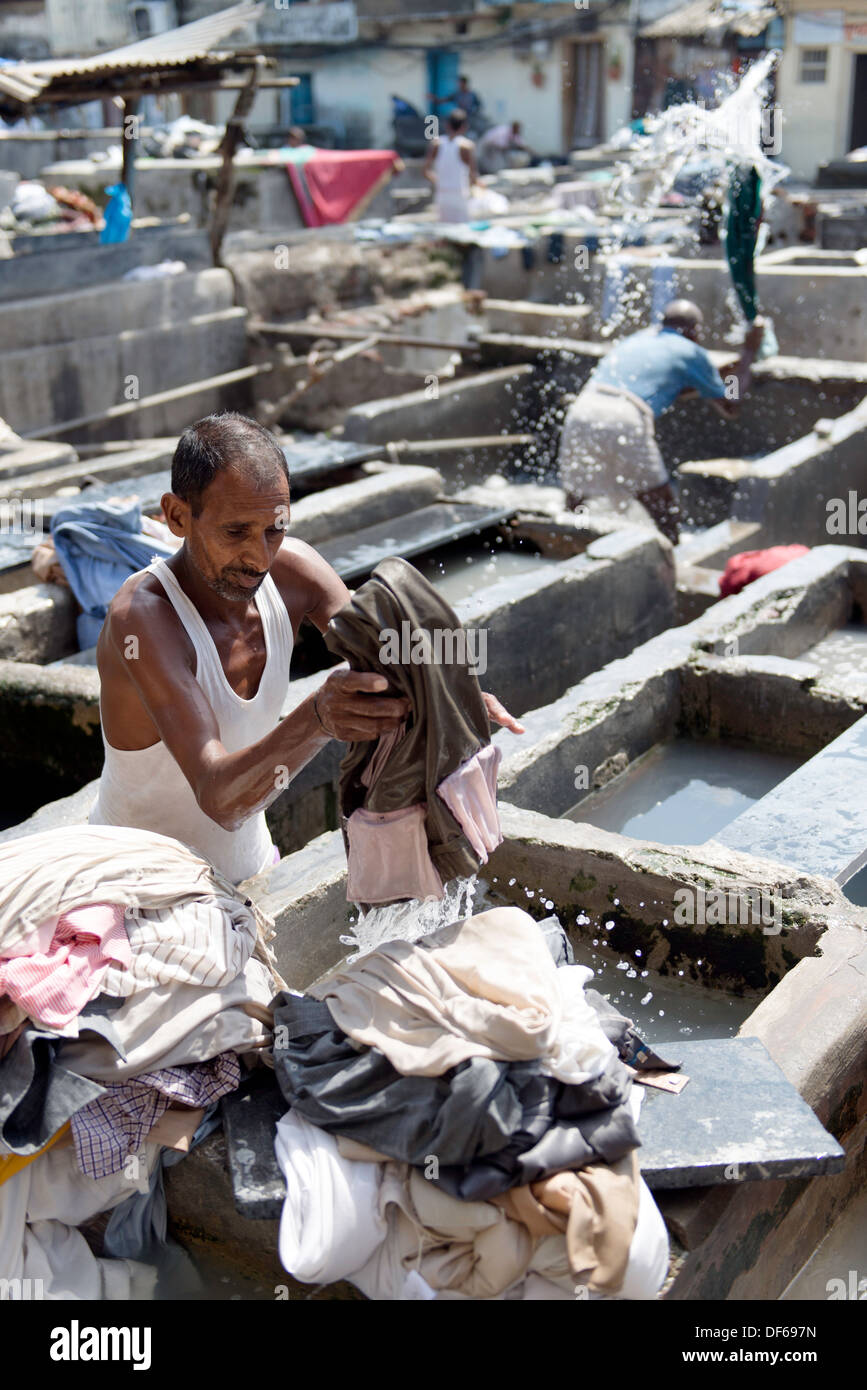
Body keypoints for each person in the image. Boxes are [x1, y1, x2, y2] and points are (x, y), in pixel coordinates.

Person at [90, 413, 523, 884]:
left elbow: (387, 657)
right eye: (235, 532)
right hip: (134, 886)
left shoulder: (293, 572)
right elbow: (218, 797)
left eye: (274, 529)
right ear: (177, 516)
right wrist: (318, 717)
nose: (259, 557)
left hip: (250, 869)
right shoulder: (143, 619)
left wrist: (445, 697)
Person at [557, 300, 764, 543]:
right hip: (623, 417)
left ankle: (563, 556)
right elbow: (731, 404)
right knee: (664, 513)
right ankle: (674, 563)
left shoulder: (638, 339)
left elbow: (672, 385)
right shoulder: (691, 351)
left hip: (582, 409)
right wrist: (748, 354)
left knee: (576, 506)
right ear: (694, 331)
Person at [423, 108, 478, 223]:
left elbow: (425, 171)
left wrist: (439, 181)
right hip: (460, 193)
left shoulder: (436, 144)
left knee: (445, 230)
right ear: (464, 126)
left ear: (447, 125)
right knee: (462, 230)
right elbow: (473, 175)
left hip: (442, 193)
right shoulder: (467, 146)